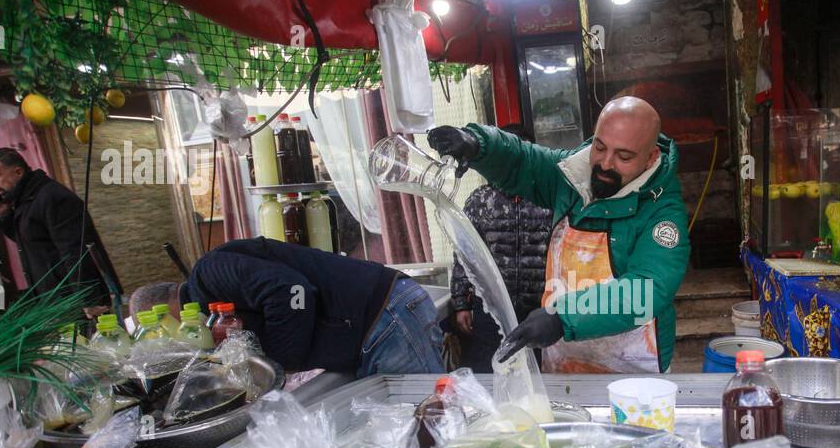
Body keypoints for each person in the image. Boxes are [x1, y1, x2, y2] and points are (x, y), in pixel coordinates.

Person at [428, 96, 690, 374]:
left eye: (624, 156)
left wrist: (562, 318)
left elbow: (647, 289)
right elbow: (523, 162)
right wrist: (479, 145)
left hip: (629, 369)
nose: (605, 164)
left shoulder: (663, 212)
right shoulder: (572, 175)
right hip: (565, 360)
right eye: (600, 147)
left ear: (650, 157)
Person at [163, 238, 443, 377]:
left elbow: (293, 290)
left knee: (431, 433)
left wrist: (281, 364)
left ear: (167, 314)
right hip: (377, 324)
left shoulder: (208, 274)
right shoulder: (211, 312)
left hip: (386, 317)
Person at [448, 124, 554, 372]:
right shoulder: (479, 200)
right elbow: (465, 254)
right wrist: (461, 303)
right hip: (489, 308)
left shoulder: (549, 198)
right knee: (490, 372)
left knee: (538, 376)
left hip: (540, 308)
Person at [0, 147, 117, 311]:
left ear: (18, 172)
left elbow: (76, 253)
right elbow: (28, 243)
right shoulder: (25, 201)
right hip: (54, 299)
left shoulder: (52, 197)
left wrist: (89, 300)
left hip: (75, 300)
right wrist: (3, 213)